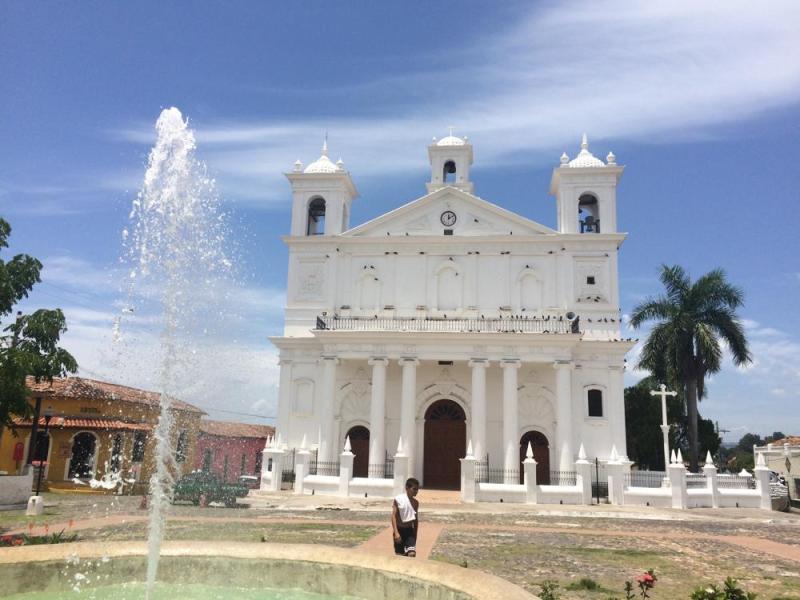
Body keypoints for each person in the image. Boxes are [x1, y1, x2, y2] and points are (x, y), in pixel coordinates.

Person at [391, 477, 419, 557]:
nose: (416, 491)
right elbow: (393, 516)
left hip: (409, 531)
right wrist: (396, 533)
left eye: (417, 489)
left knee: (412, 553)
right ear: (407, 488)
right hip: (399, 530)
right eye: (414, 489)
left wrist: (415, 534)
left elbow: (415, 519)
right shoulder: (398, 499)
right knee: (399, 556)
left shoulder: (416, 503)